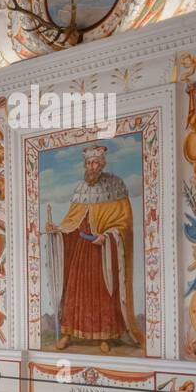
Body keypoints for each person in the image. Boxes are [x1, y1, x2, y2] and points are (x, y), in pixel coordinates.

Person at [44, 145, 141, 353]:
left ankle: (104, 337)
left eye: (95, 162)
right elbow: (73, 222)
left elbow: (123, 224)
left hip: (102, 252)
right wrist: (58, 230)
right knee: (75, 291)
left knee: (102, 293)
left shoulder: (115, 186)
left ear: (102, 164)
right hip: (81, 250)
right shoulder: (80, 190)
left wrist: (107, 236)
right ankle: (69, 334)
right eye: (88, 163)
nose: (91, 166)